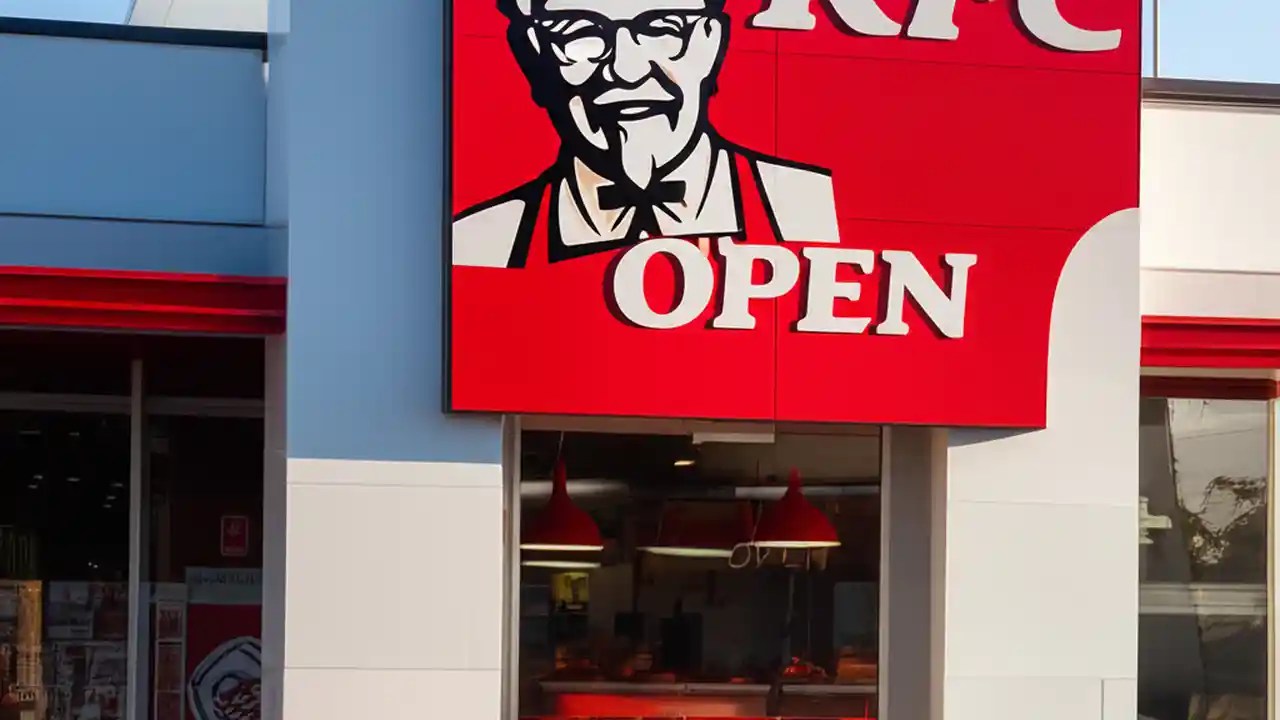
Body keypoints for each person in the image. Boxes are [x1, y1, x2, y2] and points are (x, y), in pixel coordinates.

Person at [453, 0, 841, 269]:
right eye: (581, 33)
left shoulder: (807, 207)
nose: (627, 70)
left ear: (710, 43)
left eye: (661, 28)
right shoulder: (483, 242)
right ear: (535, 55)